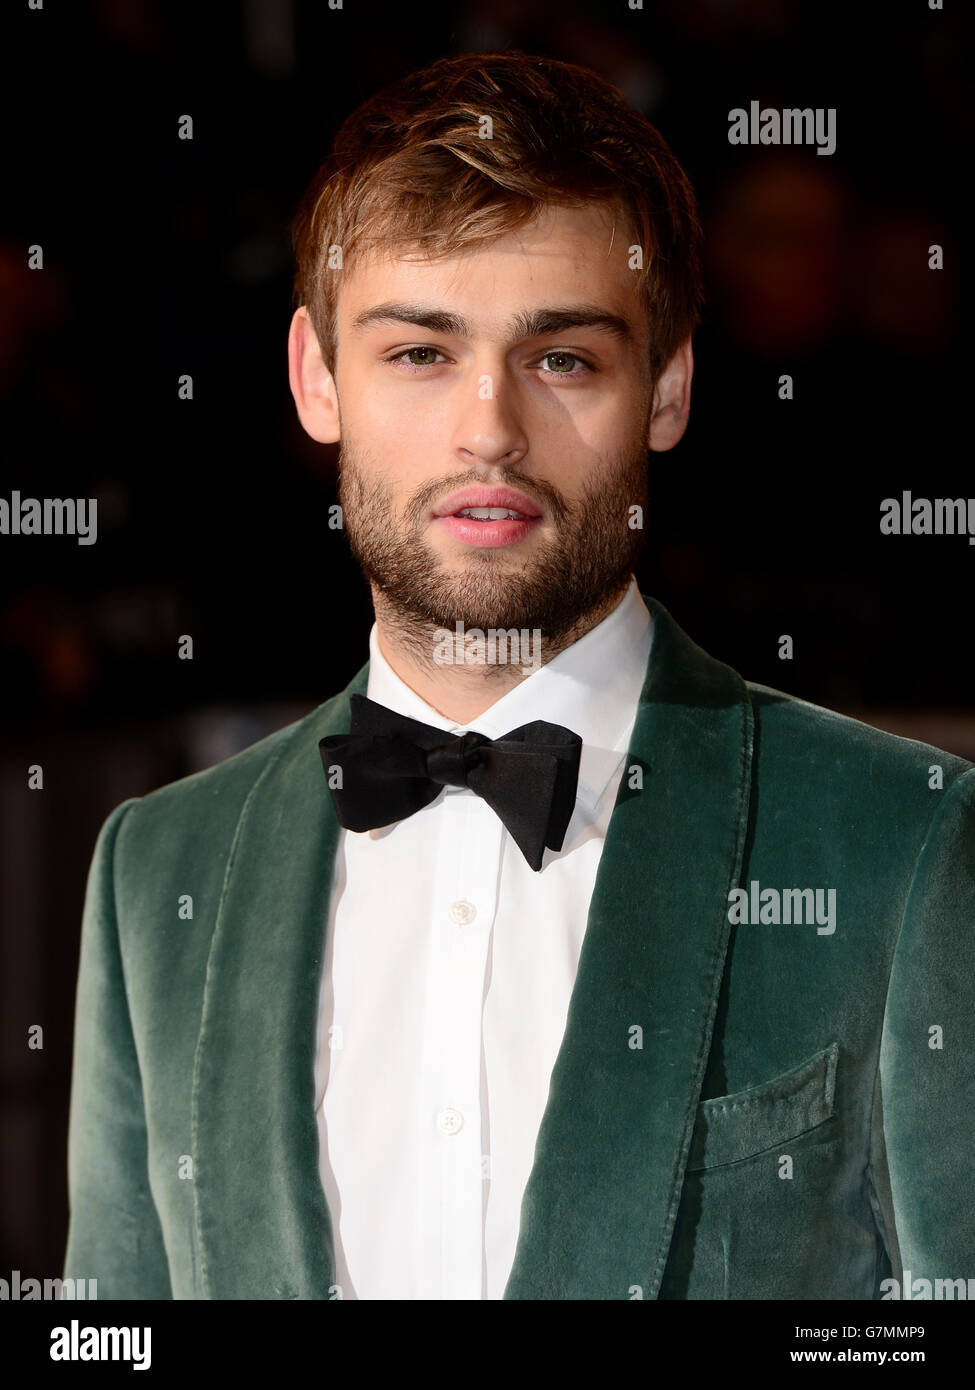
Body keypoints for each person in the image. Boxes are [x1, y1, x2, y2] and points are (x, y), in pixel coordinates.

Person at [63, 50, 974, 1301]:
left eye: (562, 359)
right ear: (316, 377)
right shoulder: (154, 873)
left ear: (669, 386)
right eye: (418, 354)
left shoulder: (900, 842)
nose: (489, 428)